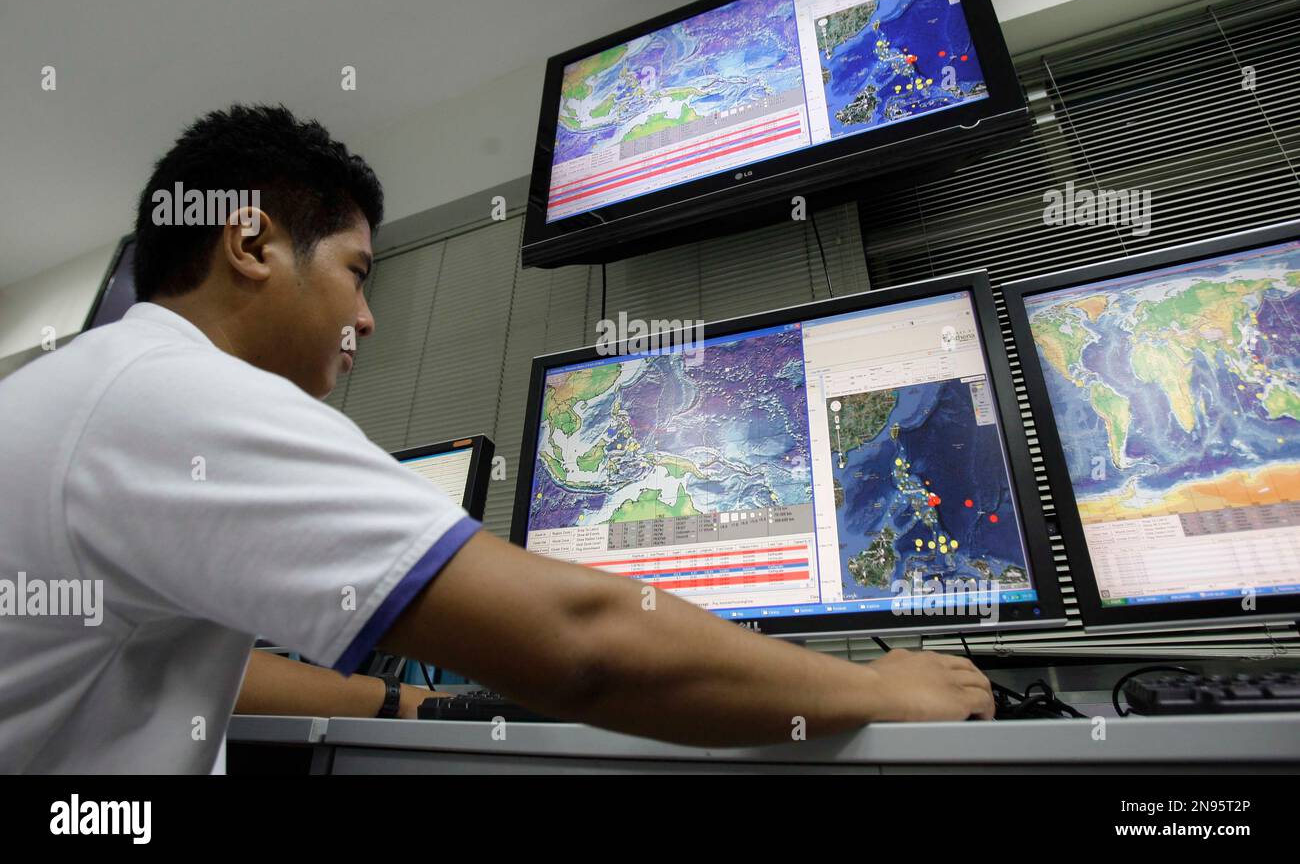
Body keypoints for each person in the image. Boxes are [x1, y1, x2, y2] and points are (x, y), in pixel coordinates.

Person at [0, 104, 994, 773]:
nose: (372, 318)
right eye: (356, 272)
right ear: (253, 244)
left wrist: (393, 706)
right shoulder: (175, 396)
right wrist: (877, 689)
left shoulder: (89, 387)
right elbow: (581, 643)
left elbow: (160, 654)